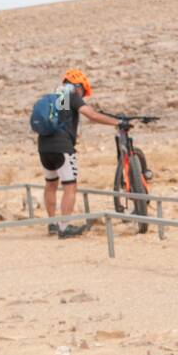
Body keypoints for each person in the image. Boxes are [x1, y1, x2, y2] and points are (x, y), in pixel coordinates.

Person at [37, 69, 121, 237]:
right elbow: (91, 115)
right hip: (62, 148)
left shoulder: (52, 98)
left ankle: (52, 224)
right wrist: (117, 122)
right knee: (70, 186)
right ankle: (64, 228)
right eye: (83, 91)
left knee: (51, 184)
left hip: (43, 146)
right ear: (79, 86)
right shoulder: (72, 95)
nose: (82, 95)